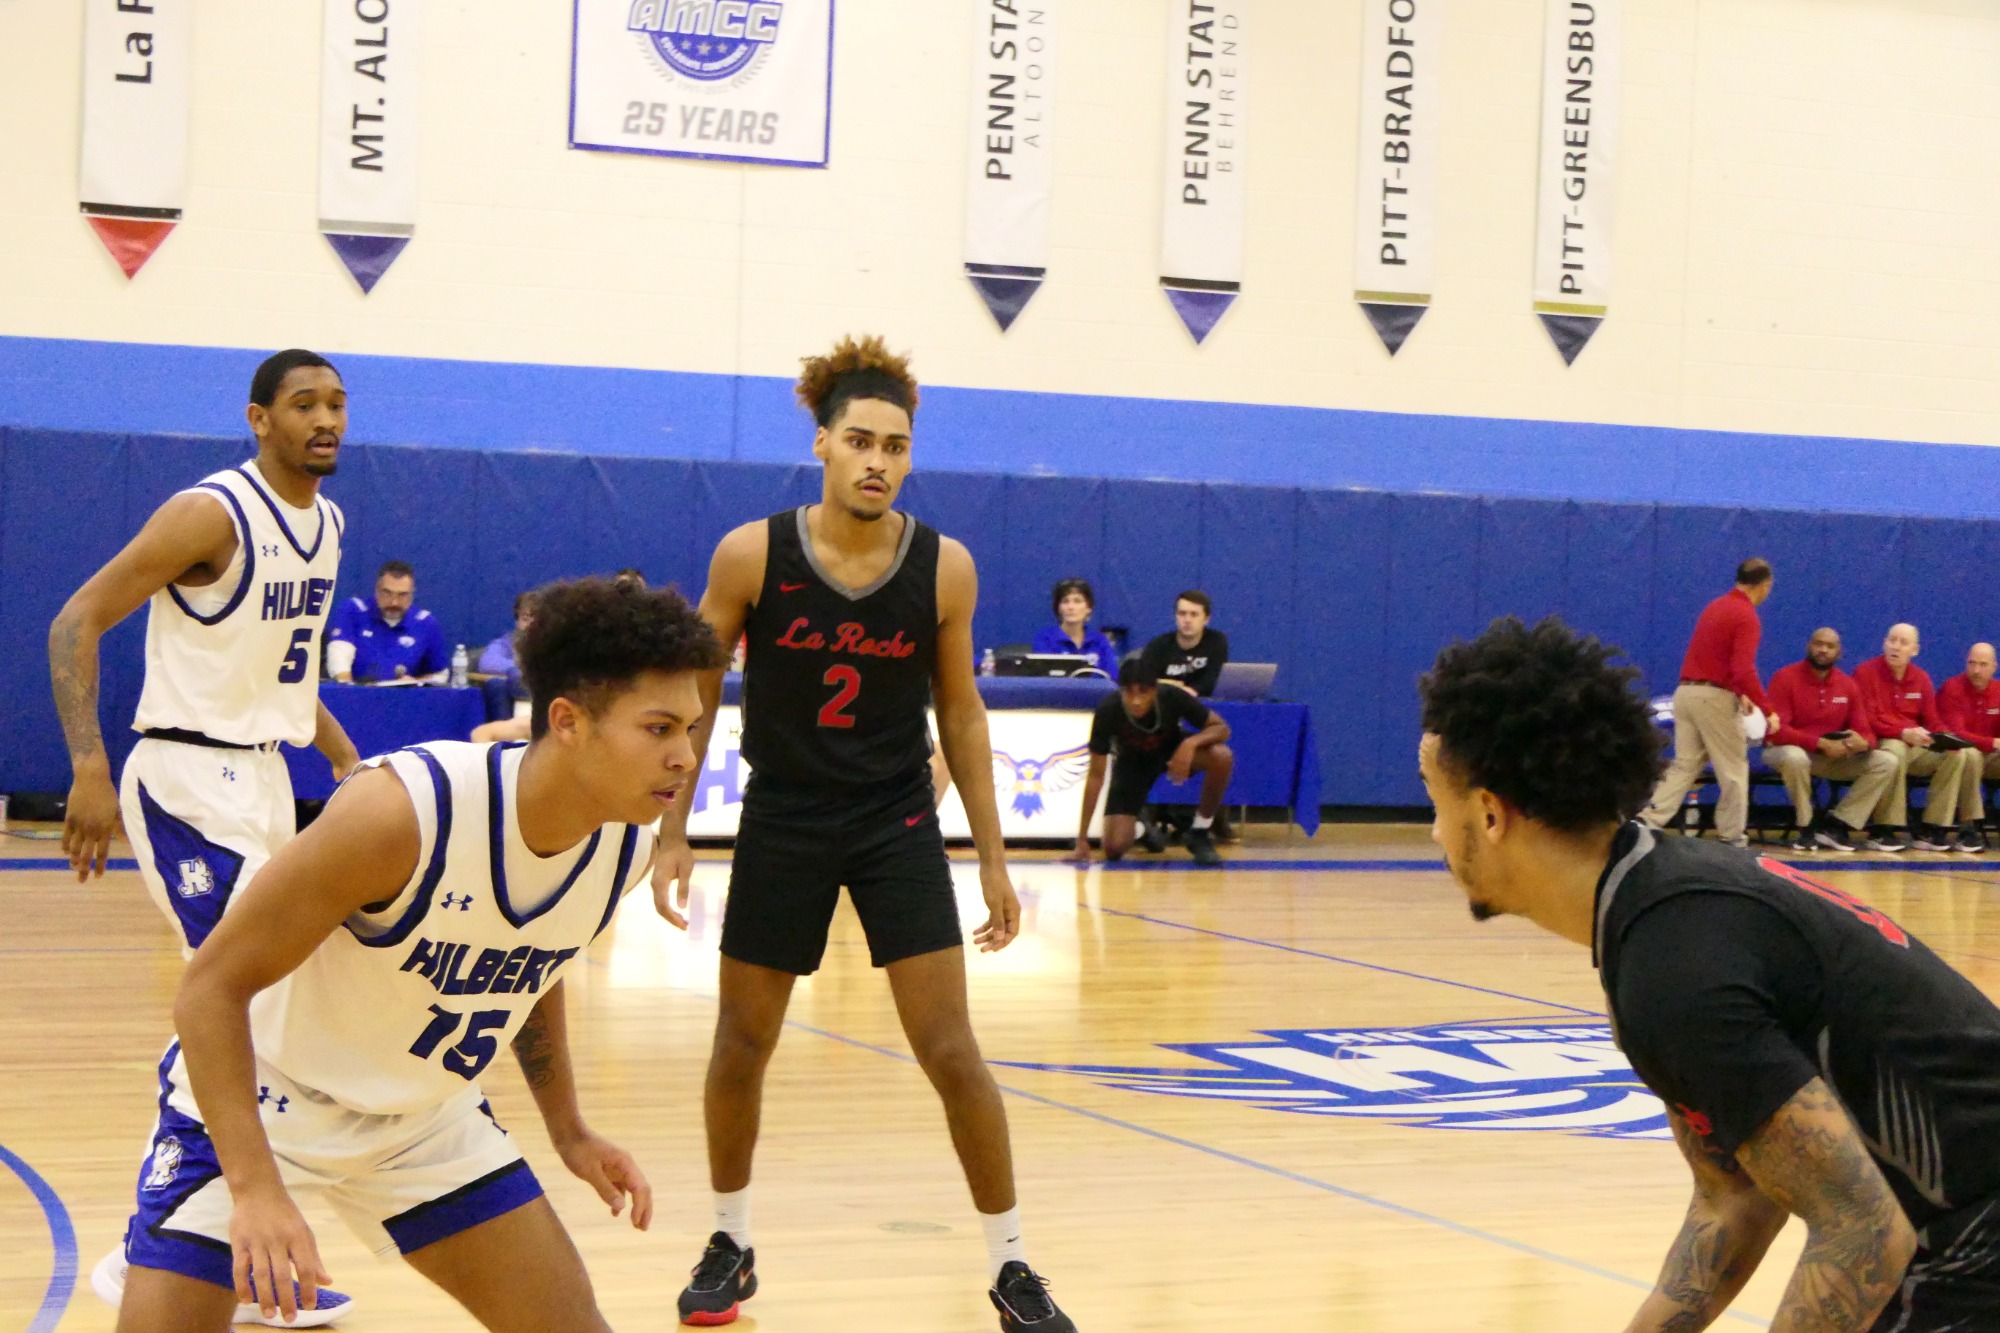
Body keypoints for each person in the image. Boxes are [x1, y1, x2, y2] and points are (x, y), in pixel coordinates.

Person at [111, 577, 723, 1333]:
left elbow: (537, 963)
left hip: (423, 1120)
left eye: (691, 728)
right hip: (269, 1097)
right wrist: (257, 1188)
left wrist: (568, 1129)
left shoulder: (625, 846)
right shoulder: (401, 811)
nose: (685, 756)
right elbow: (208, 990)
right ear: (567, 720)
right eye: (659, 728)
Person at [650, 335, 1078, 1332]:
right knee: (741, 1041)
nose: (876, 460)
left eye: (894, 444)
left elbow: (962, 715)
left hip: (892, 824)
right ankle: (728, 1239)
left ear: (909, 454)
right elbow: (696, 692)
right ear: (821, 445)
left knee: (950, 1049)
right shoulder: (751, 552)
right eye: (859, 440)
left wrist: (993, 860)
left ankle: (1011, 1264)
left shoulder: (945, 567)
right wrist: (671, 827)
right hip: (783, 816)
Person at [1418, 615, 2000, 1331]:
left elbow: (1862, 1231)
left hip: (1969, 1240)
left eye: (1434, 800)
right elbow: (1736, 1199)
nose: (1434, 831)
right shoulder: (1650, 910)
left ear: (1489, 813)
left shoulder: (1675, 964)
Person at [49, 348, 364, 1325]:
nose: (326, 419)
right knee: (238, 992)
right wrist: (90, 767)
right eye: (304, 403)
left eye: (337, 404)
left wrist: (351, 771)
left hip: (266, 778)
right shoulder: (209, 515)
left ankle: (169, 1246)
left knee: (269, 999)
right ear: (259, 418)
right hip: (183, 773)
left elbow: (292, 671)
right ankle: (182, 1243)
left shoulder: (329, 525)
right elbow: (76, 620)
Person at [1638, 559, 1778, 847]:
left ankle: (1646, 821)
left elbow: (1715, 659)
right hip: (1714, 698)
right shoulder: (1746, 615)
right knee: (1733, 769)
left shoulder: (1715, 606)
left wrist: (1741, 694)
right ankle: (1732, 838)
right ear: (1764, 585)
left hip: (1686, 693)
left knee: (1685, 765)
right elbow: (1743, 669)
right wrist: (1768, 708)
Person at [1068, 656, 1231, 866]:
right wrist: (1082, 840)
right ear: (1120, 691)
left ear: (1154, 690)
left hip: (1171, 750)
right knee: (1114, 849)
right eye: (1129, 693)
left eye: (1143, 693)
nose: (1136, 701)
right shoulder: (1108, 711)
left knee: (1222, 756)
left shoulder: (1172, 696)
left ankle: (1200, 830)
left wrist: (1190, 745)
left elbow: (1222, 728)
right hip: (1132, 765)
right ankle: (1141, 826)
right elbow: (1096, 776)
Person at [1760, 627, 1897, 853]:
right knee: (1795, 758)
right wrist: (1820, 744)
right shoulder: (1785, 677)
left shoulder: (1848, 685)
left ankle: (1837, 824)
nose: (1823, 650)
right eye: (1818, 644)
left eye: (1830, 646)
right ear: (1809, 646)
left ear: (1839, 652)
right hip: (1787, 751)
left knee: (1886, 761)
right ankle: (1806, 826)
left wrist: (1862, 744)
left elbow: (1866, 732)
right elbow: (1777, 731)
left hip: (1832, 756)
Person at [1853, 623, 1984, 853]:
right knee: (1896, 748)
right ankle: (1884, 827)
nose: (1896, 646)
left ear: (1915, 650)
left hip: (1915, 743)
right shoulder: (1866, 673)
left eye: (1903, 643)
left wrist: (1945, 738)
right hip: (1882, 741)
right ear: (1884, 643)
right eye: (1892, 640)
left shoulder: (1921, 678)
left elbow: (1932, 720)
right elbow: (1868, 720)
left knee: (1958, 755)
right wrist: (1903, 733)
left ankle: (1933, 827)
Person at [326, 561, 450, 684]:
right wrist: (350, 693)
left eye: (402, 595)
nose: (394, 602)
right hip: (356, 697)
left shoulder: (425, 622)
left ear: (412, 594)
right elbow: (339, 662)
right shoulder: (353, 610)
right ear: (377, 590)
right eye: (387, 593)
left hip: (404, 700)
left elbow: (440, 675)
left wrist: (416, 683)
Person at [1937, 642, 2000, 844]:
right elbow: (1958, 734)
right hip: (1960, 754)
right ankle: (1968, 826)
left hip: (1990, 757)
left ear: (1994, 667)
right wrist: (1992, 742)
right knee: (1970, 755)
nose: (1976, 670)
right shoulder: (1953, 688)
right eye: (1972, 663)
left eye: (1983, 664)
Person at [1138, 590, 1228, 696]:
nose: (1187, 620)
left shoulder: (1216, 642)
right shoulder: (1158, 645)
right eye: (1182, 614)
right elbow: (1143, 681)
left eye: (1194, 614)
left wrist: (1189, 692)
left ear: (1206, 619)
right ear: (1175, 616)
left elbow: (1213, 679)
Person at [1030, 579, 1117, 676]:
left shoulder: (1100, 641)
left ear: (1089, 608)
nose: (1071, 607)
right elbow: (1043, 678)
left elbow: (1112, 679)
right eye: (1065, 601)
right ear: (1058, 608)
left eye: (1077, 601)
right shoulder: (1045, 639)